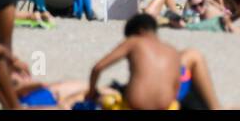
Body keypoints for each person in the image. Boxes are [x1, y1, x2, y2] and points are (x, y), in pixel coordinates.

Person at [86, 13, 223, 109]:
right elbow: (176, 87)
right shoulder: (172, 51)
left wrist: (92, 92)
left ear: (140, 31)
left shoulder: (135, 41)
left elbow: (98, 67)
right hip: (168, 107)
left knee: (97, 95)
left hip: (134, 106)